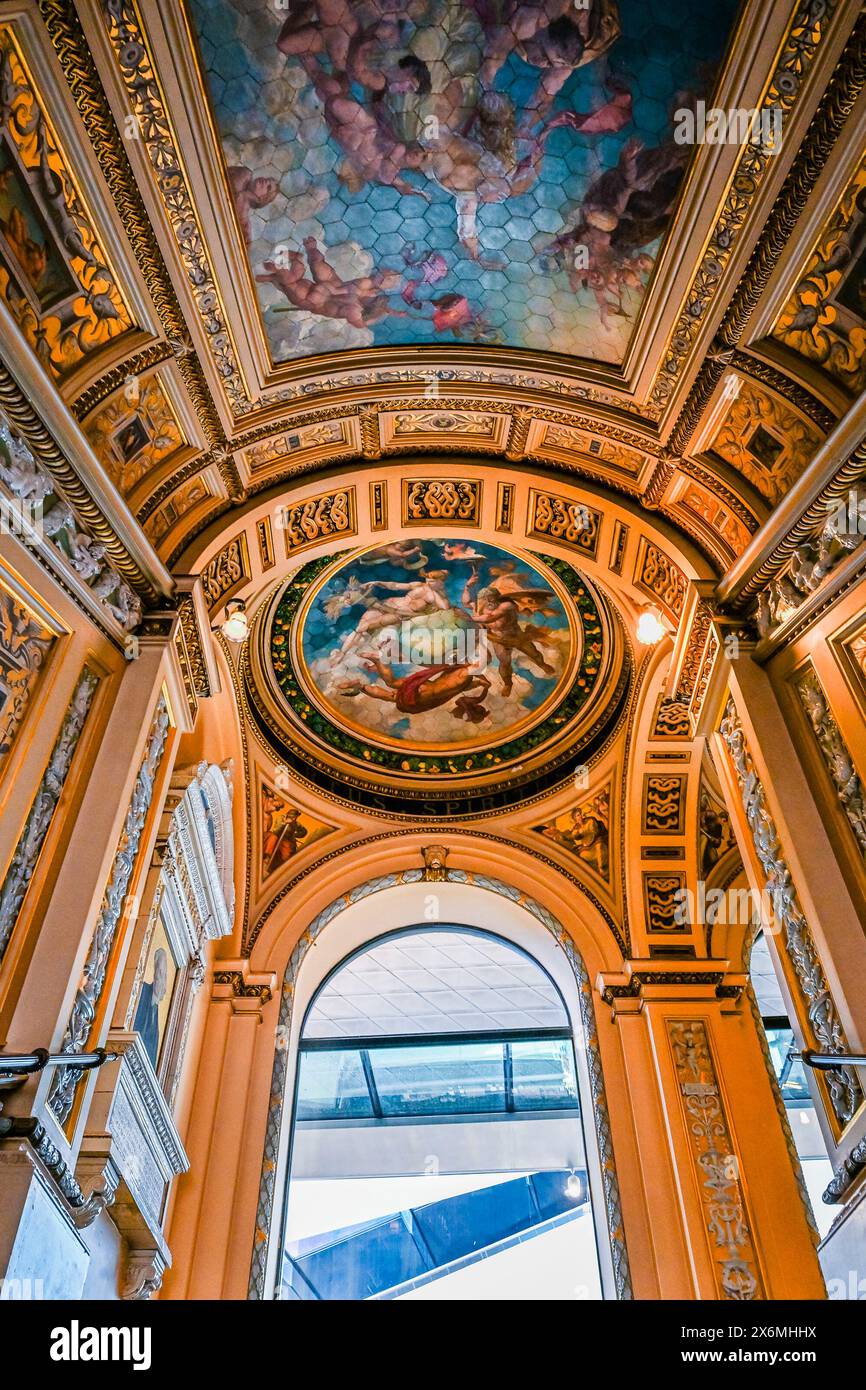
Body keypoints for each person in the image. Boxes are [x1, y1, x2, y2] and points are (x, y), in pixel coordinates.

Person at [134, 945, 169, 1069]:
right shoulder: (142, 992)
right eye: (160, 970)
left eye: (164, 974)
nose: (162, 978)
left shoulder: (156, 1010)